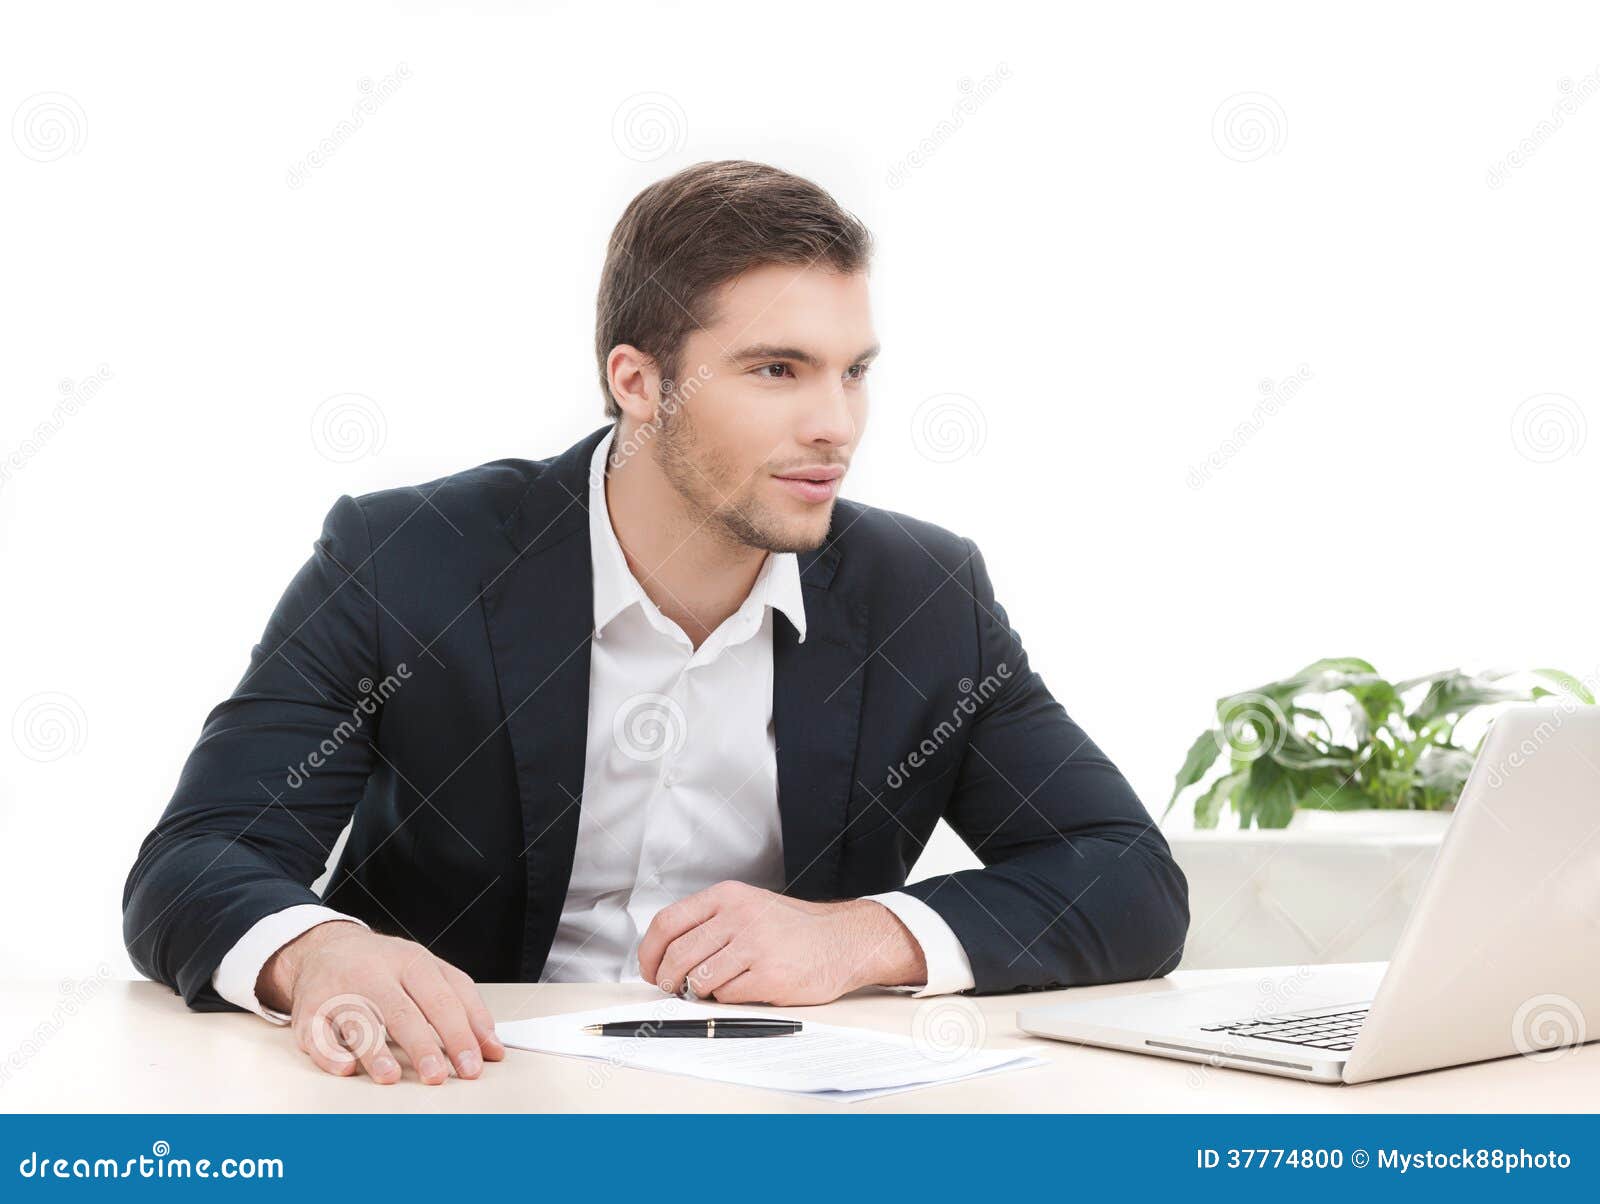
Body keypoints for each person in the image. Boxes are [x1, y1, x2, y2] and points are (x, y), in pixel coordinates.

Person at [123, 159, 1188, 1085]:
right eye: (777, 369)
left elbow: (1125, 874)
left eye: (853, 372)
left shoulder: (921, 593)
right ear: (638, 382)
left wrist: (859, 938)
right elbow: (198, 856)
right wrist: (317, 953)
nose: (836, 425)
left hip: (776, 1110)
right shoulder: (408, 559)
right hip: (459, 1093)